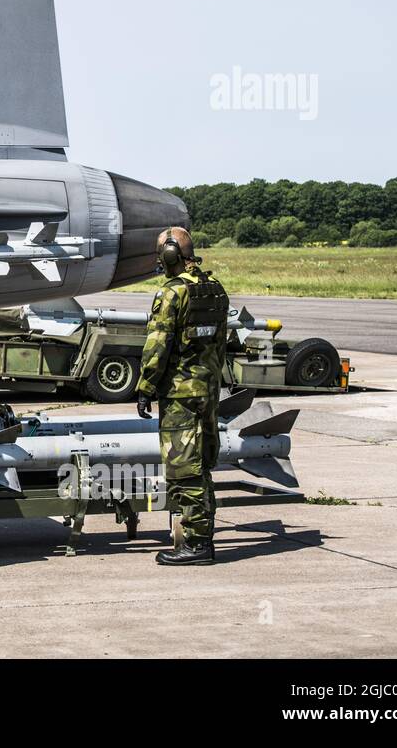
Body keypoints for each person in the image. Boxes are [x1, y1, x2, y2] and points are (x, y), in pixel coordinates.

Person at [135, 227, 229, 565]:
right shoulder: (215, 291)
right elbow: (219, 346)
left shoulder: (172, 294)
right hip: (208, 391)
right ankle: (201, 537)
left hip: (180, 395)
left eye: (161, 252)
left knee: (184, 469)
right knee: (201, 466)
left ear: (170, 255)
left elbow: (157, 347)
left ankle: (197, 544)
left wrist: (145, 388)